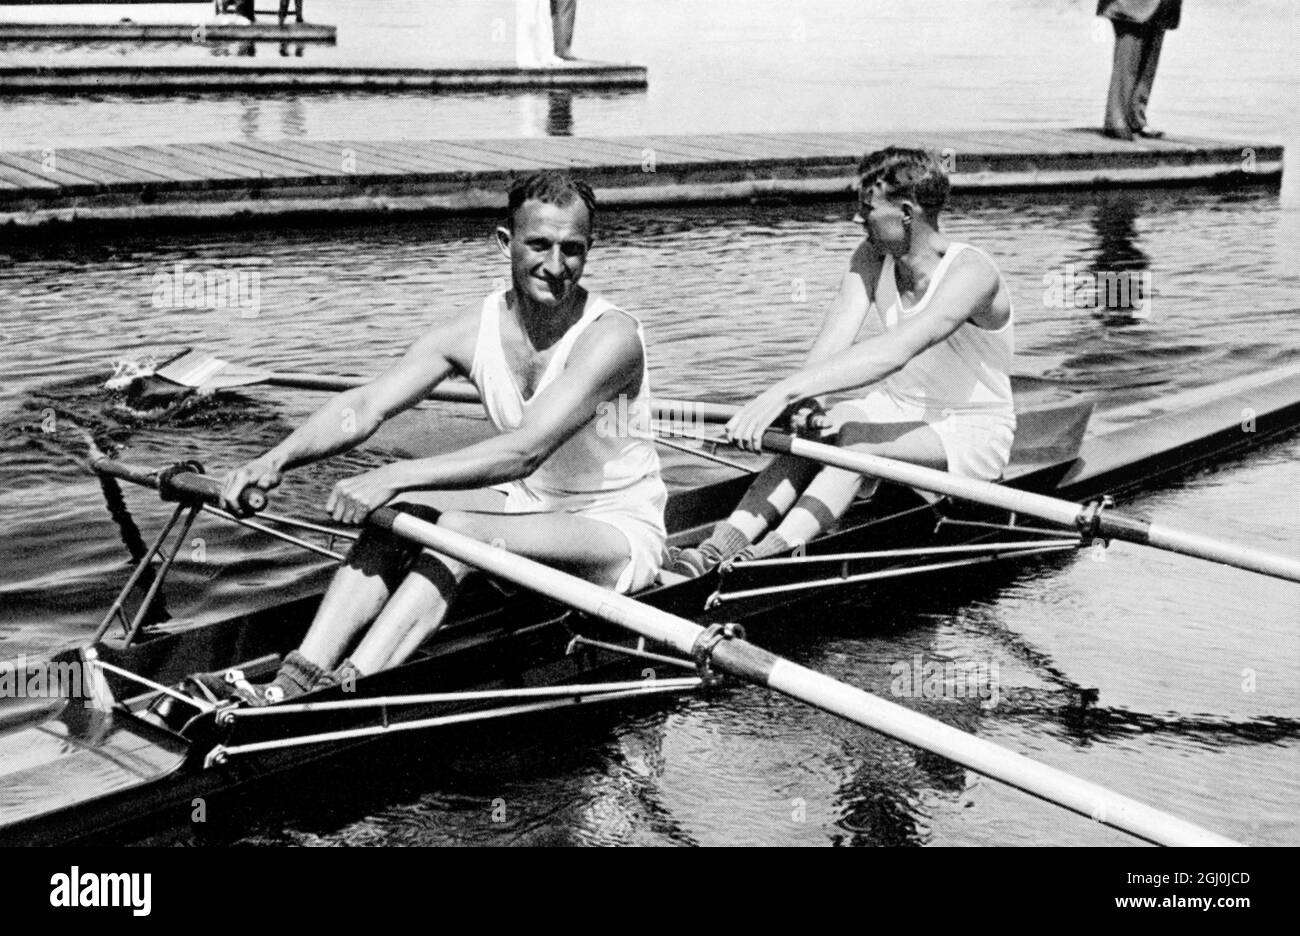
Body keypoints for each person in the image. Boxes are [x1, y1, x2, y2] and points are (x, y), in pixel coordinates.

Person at [213, 171, 667, 705]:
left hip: (613, 529)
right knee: (399, 515)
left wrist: (391, 473)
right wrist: (276, 459)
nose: (555, 265)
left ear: (590, 250)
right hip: (527, 504)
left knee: (455, 529)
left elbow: (524, 451)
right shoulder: (471, 331)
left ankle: (354, 688)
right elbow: (363, 406)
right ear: (505, 243)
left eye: (573, 249)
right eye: (539, 245)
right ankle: (299, 676)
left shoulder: (611, 339)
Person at [668, 147, 1015, 577]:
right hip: (895, 407)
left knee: (855, 440)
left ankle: (774, 555)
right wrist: (804, 404)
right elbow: (831, 345)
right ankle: (719, 546)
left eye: (866, 209)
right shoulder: (871, 257)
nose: (856, 219)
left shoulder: (973, 273)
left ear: (906, 212)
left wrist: (782, 392)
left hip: (970, 428)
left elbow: (899, 350)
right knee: (817, 431)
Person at [1098, 0, 1182, 140]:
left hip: (1162, 7)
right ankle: (1116, 120)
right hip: (1130, 6)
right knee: (1127, 59)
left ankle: (1136, 119)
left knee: (1149, 60)